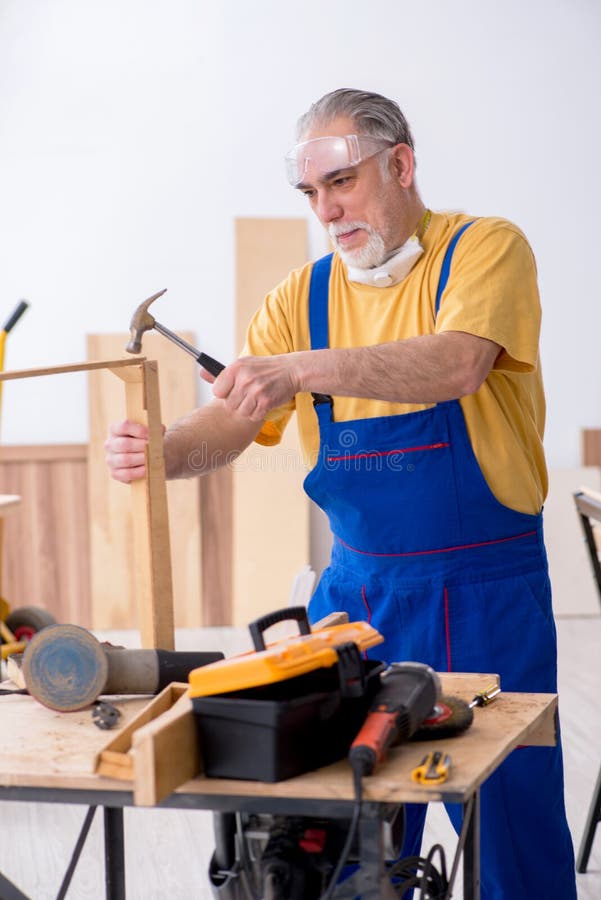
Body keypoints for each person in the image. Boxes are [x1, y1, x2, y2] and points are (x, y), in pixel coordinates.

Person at [105, 88, 576, 899]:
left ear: (400, 164)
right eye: (311, 194)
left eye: (342, 183)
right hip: (356, 595)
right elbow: (233, 421)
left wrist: (298, 368)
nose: (326, 210)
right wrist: (164, 450)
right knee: (345, 827)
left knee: (510, 823)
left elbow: (456, 363)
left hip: (486, 591)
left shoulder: (482, 250)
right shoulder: (303, 296)